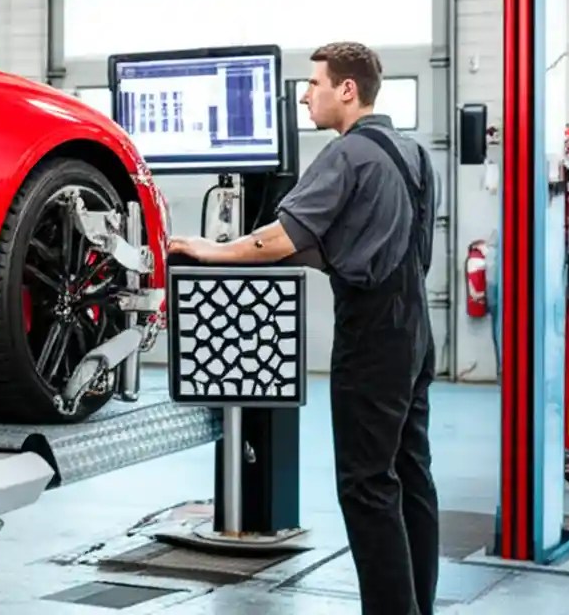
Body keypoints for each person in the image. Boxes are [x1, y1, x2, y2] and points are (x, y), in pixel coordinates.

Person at [168, 41, 440, 615]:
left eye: (314, 84)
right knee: (410, 473)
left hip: (372, 336)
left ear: (347, 90)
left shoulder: (347, 156)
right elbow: (394, 244)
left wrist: (212, 249)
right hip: (415, 331)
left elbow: (281, 238)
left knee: (366, 485)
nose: (305, 95)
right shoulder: (413, 153)